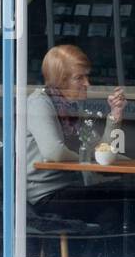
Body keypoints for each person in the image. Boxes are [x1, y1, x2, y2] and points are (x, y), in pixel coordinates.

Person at [24, 44, 125, 207]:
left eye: (87, 77)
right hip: (45, 195)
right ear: (60, 81)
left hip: (72, 188)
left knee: (131, 196)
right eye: (79, 78)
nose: (88, 84)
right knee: (120, 205)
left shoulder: (72, 107)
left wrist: (115, 115)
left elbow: (100, 149)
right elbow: (54, 153)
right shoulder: (39, 103)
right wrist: (93, 160)